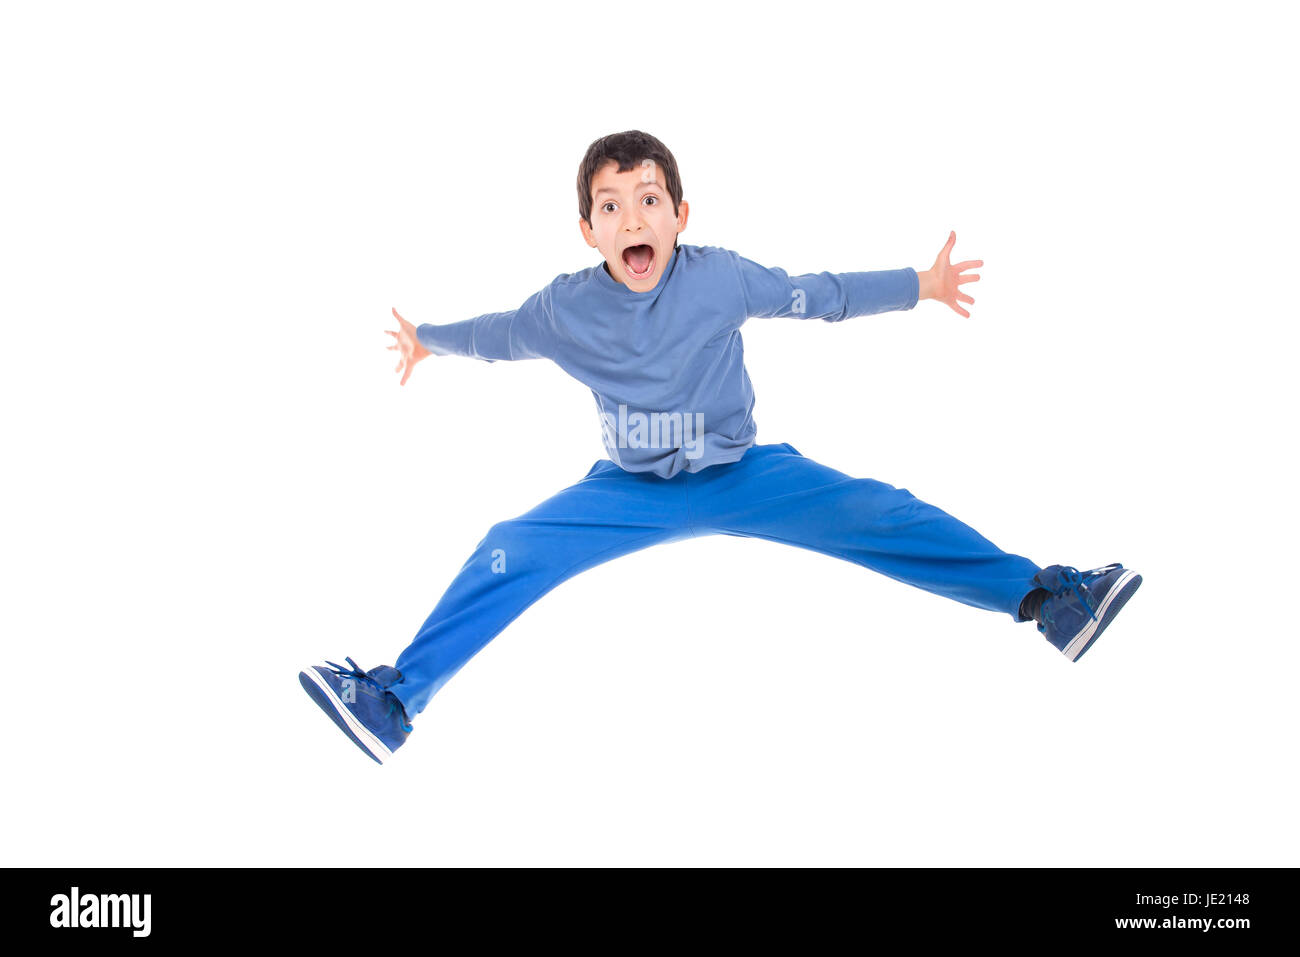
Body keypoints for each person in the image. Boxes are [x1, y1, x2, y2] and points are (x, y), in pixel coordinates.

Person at [299, 130, 1142, 764]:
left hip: (746, 475)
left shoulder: (720, 277)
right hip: (625, 493)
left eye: (650, 199)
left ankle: (1048, 602)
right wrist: (428, 341)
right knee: (505, 548)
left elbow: (822, 295)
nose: (633, 216)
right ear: (587, 230)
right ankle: (391, 703)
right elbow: (491, 336)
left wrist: (919, 285)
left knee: (883, 511)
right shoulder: (561, 312)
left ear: (681, 216)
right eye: (611, 205)